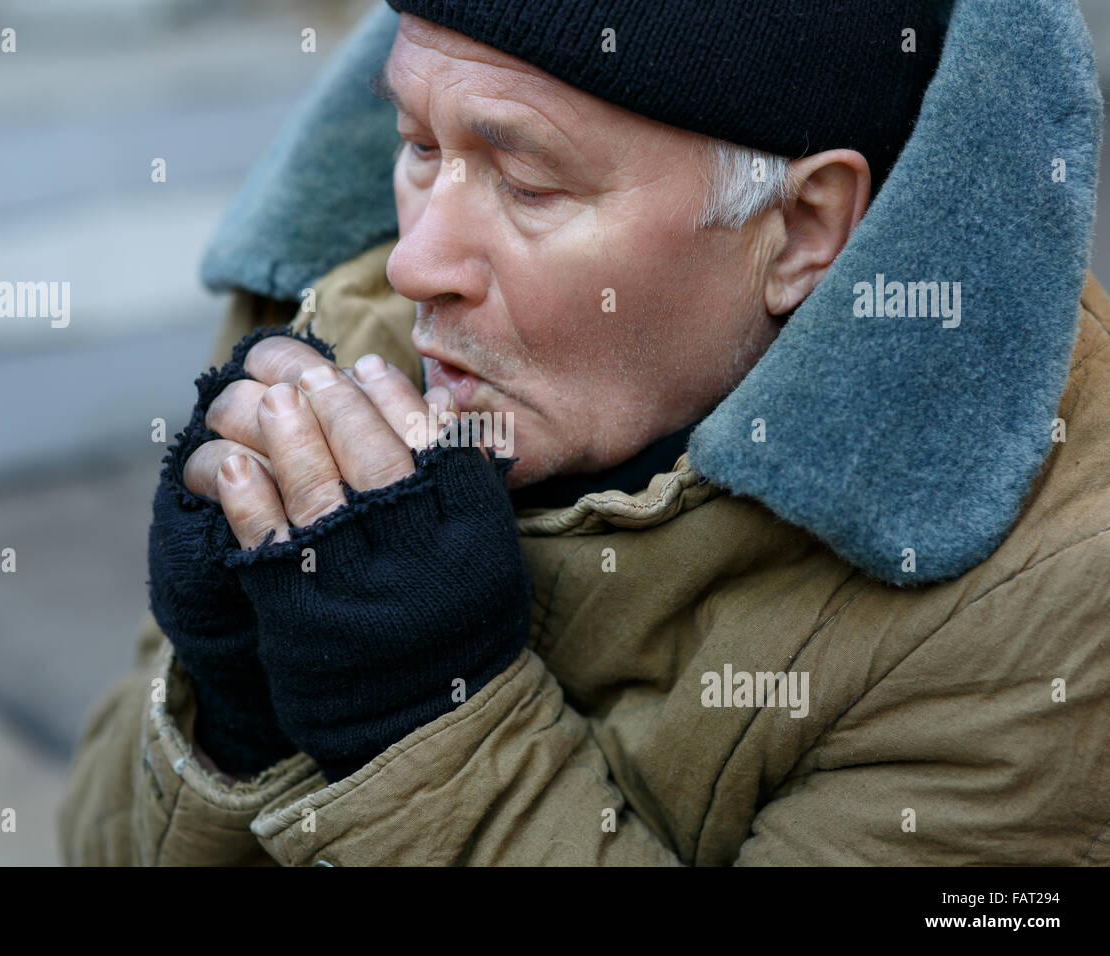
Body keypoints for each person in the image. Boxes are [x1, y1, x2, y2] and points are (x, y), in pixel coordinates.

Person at [58, 0, 1110, 865]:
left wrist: (423, 726)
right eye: (418, 145)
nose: (415, 263)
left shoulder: (1056, 606)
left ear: (800, 231)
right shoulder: (341, 334)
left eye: (525, 183)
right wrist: (235, 715)